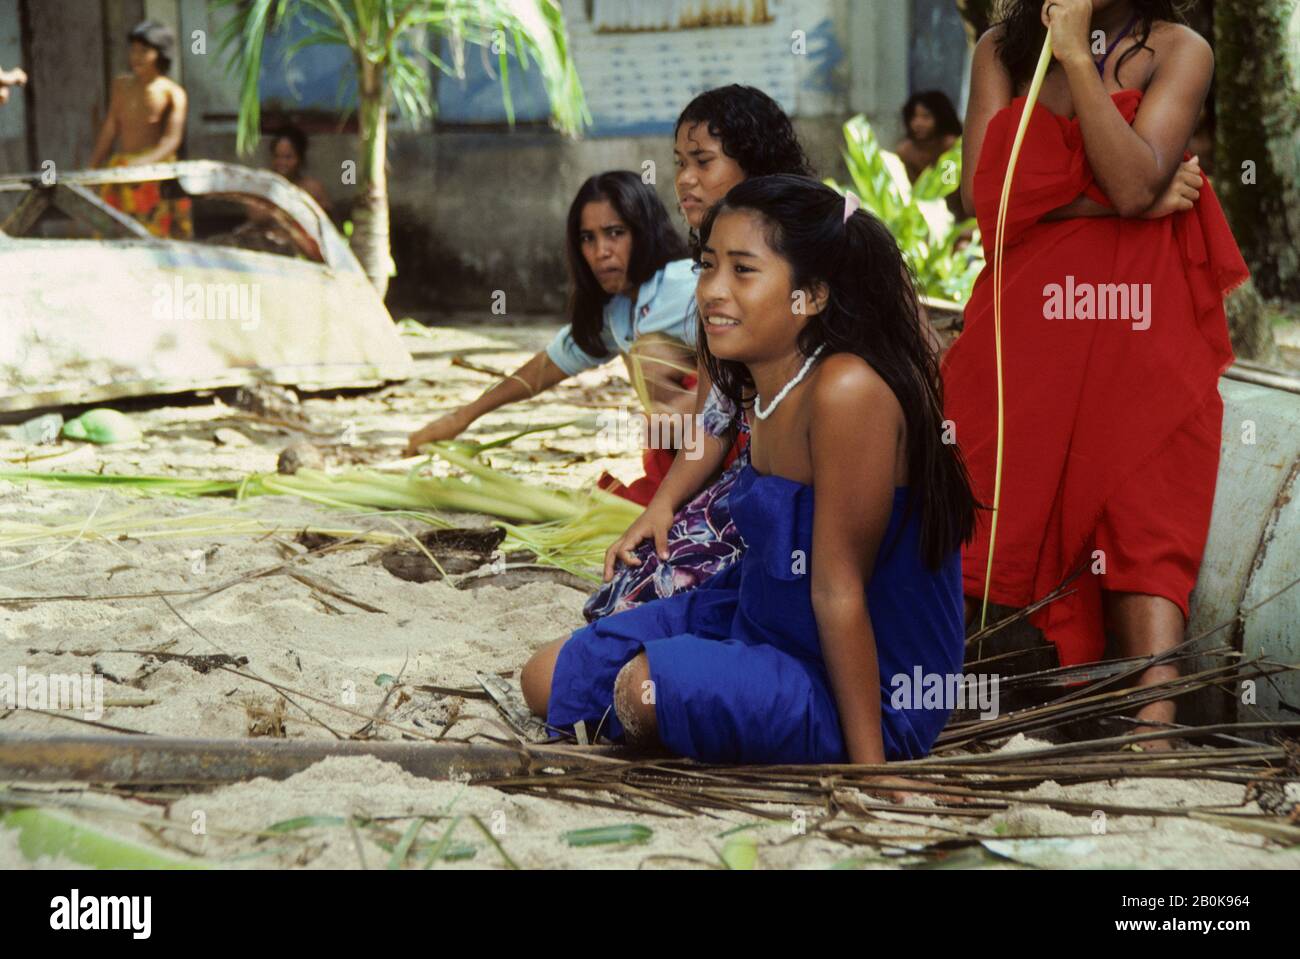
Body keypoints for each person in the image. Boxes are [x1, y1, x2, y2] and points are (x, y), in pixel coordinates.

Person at [521, 175, 976, 774]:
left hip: (866, 684)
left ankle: (757, 715)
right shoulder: (763, 384)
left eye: (743, 270)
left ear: (810, 296)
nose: (712, 291)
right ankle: (713, 701)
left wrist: (873, 774)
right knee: (546, 681)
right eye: (708, 266)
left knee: (641, 690)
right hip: (759, 616)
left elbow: (838, 591)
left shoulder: (845, 391)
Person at [941, 0, 1248, 742]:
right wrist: (1110, 205)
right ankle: (955, 683)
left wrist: (1077, 56)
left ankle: (1155, 723)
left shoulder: (1183, 50)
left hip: (1140, 314)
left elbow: (1138, 182)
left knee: (1142, 498)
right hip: (1023, 317)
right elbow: (990, 199)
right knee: (973, 478)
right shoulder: (1000, 52)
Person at [584, 84, 815, 620]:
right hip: (756, 473)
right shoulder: (709, 271)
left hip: (821, 474)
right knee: (624, 592)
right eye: (679, 163)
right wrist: (661, 506)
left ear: (754, 163)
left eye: (703, 161)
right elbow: (716, 416)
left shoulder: (823, 241)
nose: (684, 179)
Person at [404, 171, 698, 480]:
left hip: (732, 436)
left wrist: (690, 406)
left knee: (649, 353)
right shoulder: (619, 309)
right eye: (588, 238)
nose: (601, 252)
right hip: (689, 441)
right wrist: (459, 419)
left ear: (644, 232)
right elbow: (548, 365)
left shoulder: (682, 287)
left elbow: (750, 364)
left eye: (615, 233)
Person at [89, 20, 192, 238]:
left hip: (155, 173)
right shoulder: (120, 85)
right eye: (133, 50)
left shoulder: (173, 92)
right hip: (122, 169)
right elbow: (110, 128)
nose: (136, 57)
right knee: (114, 232)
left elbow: (172, 141)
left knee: (154, 236)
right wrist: (93, 167)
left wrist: (141, 164)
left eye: (143, 51)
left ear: (161, 54)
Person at [895, 90, 963, 183]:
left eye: (925, 117)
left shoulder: (951, 146)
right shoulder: (906, 151)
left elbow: (949, 183)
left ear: (940, 118)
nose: (918, 123)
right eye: (914, 117)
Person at [268, 125, 334, 217]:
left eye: (288, 157)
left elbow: (328, 221)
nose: (282, 162)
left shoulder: (314, 189)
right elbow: (256, 217)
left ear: (300, 158)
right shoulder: (266, 189)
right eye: (277, 156)